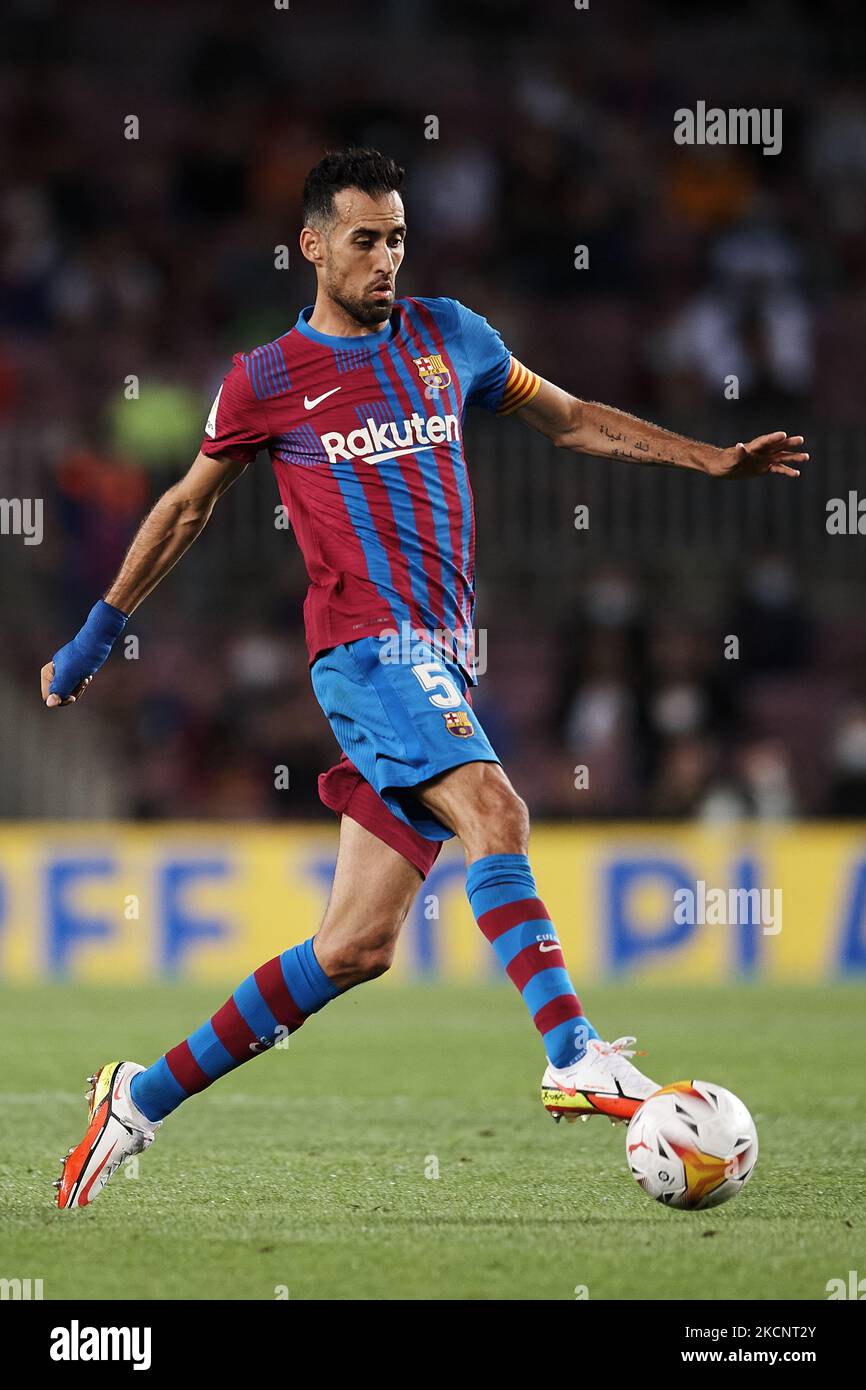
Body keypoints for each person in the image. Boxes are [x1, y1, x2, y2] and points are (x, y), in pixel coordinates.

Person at [42, 149, 807, 1208]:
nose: (385, 257)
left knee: (353, 947)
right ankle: (572, 1054)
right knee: (496, 809)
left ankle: (139, 1096)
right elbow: (184, 506)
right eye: (364, 238)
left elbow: (572, 416)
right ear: (312, 246)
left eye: (397, 236)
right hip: (365, 652)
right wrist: (99, 628)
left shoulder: (452, 335)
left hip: (435, 655)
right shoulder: (263, 379)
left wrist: (705, 458)